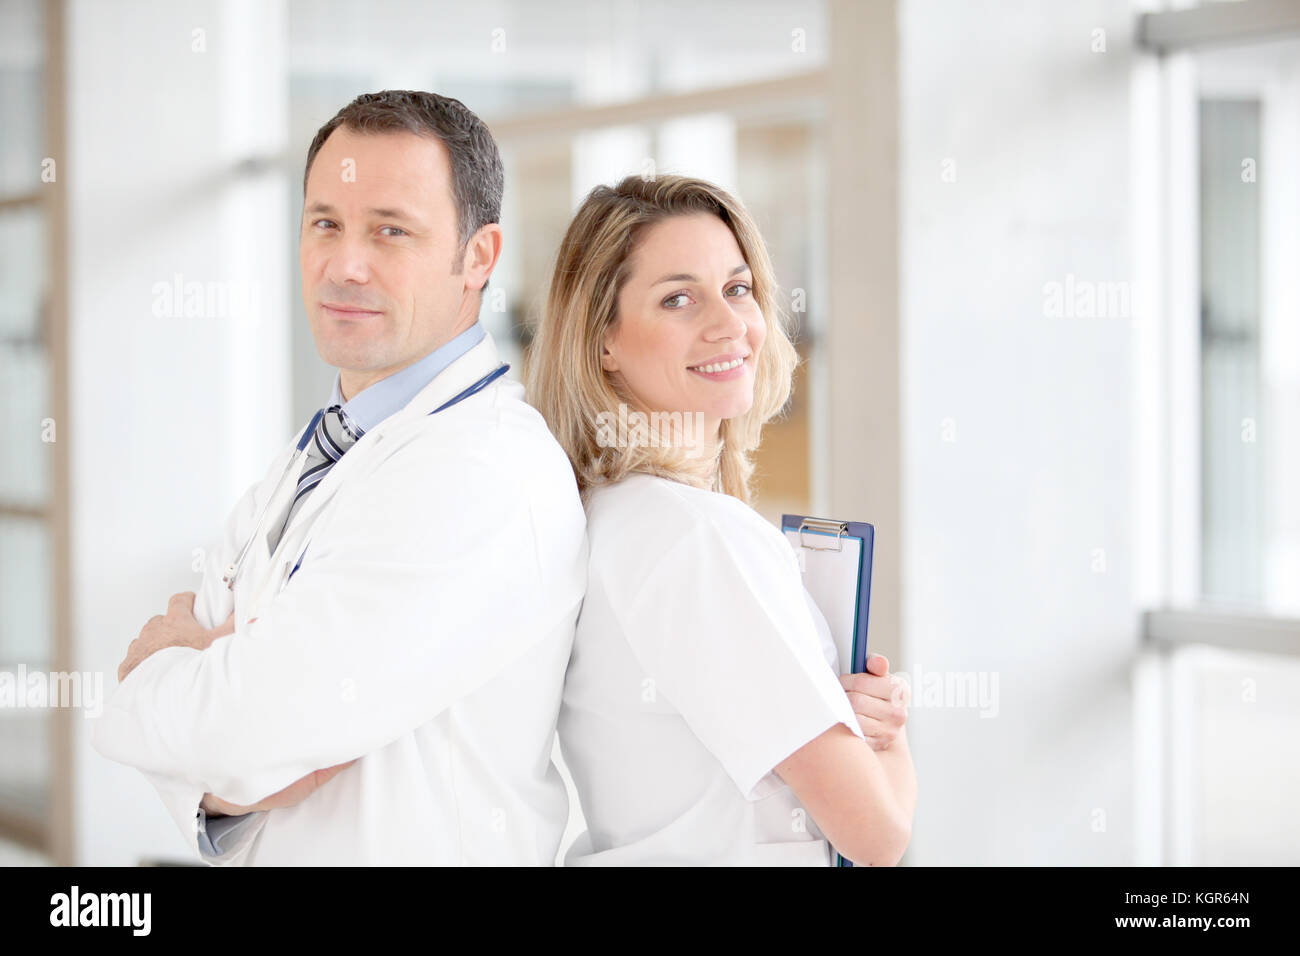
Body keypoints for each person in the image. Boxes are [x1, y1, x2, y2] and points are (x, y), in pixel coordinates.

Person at [92, 91, 587, 866]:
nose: (344, 264)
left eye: (391, 231)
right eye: (325, 223)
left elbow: (244, 728)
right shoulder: (316, 452)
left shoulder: (484, 472)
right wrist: (220, 764)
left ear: (480, 257)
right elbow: (235, 744)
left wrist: (152, 682)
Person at [525, 174, 917, 865]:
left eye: (738, 289)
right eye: (678, 298)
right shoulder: (701, 539)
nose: (728, 324)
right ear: (603, 340)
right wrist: (887, 742)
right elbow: (878, 835)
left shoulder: (604, 518)